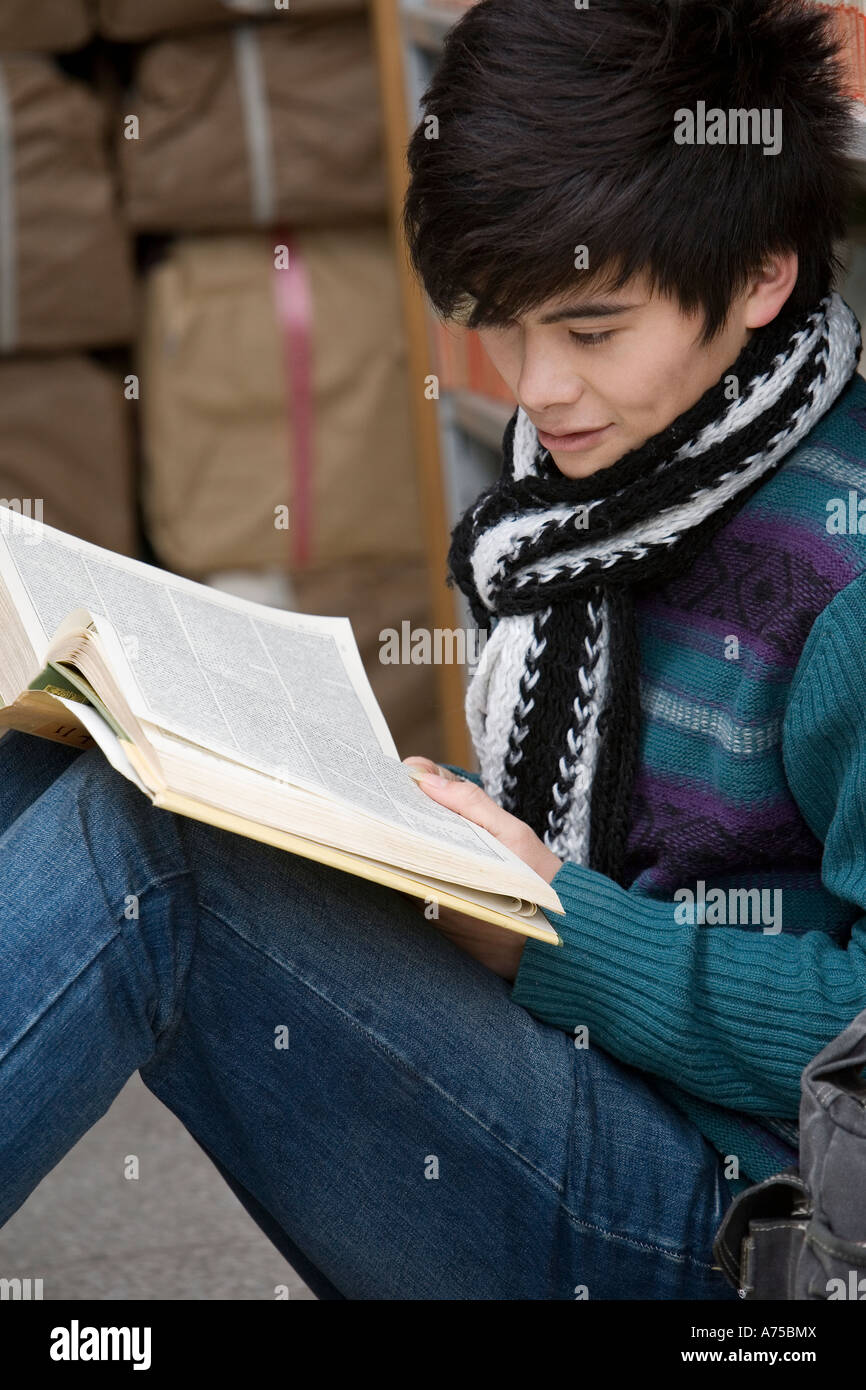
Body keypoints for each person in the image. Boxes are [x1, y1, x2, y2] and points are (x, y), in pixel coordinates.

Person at [2, 0, 865, 1301]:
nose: (535, 388)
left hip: (732, 1214)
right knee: (48, 752)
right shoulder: (589, 497)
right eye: (501, 325)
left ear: (759, 271)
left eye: (587, 332)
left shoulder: (842, 569)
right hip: (576, 1065)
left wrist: (556, 933)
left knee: (150, 859)